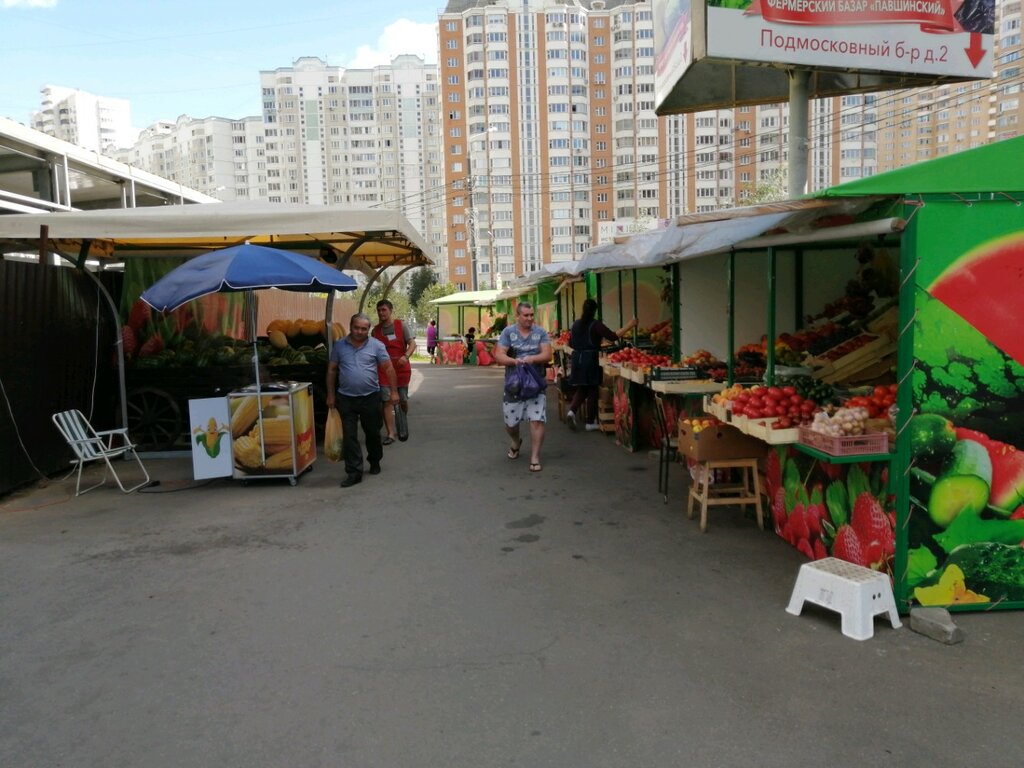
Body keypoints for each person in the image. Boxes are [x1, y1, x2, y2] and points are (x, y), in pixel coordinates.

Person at [326, 313, 398, 488]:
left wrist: (394, 392)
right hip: (346, 398)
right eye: (356, 327)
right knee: (349, 437)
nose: (359, 331)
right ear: (350, 326)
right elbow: (332, 370)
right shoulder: (340, 346)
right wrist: (331, 395)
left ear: (368, 330)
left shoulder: (377, 346)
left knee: (373, 433)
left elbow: (388, 368)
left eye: (363, 329)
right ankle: (354, 472)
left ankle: (374, 460)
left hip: (370, 397)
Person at [493, 302, 552, 473]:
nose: (529, 318)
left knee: (537, 420)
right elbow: (499, 355)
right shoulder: (508, 332)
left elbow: (547, 354)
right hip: (514, 384)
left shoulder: (540, 332)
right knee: (511, 422)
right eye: (526, 315)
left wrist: (532, 359)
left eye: (531, 315)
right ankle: (515, 441)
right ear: (517, 316)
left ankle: (535, 457)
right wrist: (514, 361)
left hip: (536, 384)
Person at [566, 299, 637, 432]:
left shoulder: (575, 324)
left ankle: (571, 412)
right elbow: (613, 336)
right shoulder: (595, 324)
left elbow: (571, 344)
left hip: (577, 359)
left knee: (582, 388)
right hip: (590, 359)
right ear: (594, 311)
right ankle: (590, 422)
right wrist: (630, 325)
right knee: (592, 389)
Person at [372, 299, 415, 444]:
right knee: (387, 401)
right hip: (384, 370)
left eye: (383, 310)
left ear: (391, 310)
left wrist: (406, 356)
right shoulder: (375, 331)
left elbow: (412, 343)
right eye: (379, 310)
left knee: (402, 399)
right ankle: (390, 433)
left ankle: (401, 419)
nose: (381, 313)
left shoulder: (401, 325)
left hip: (401, 368)